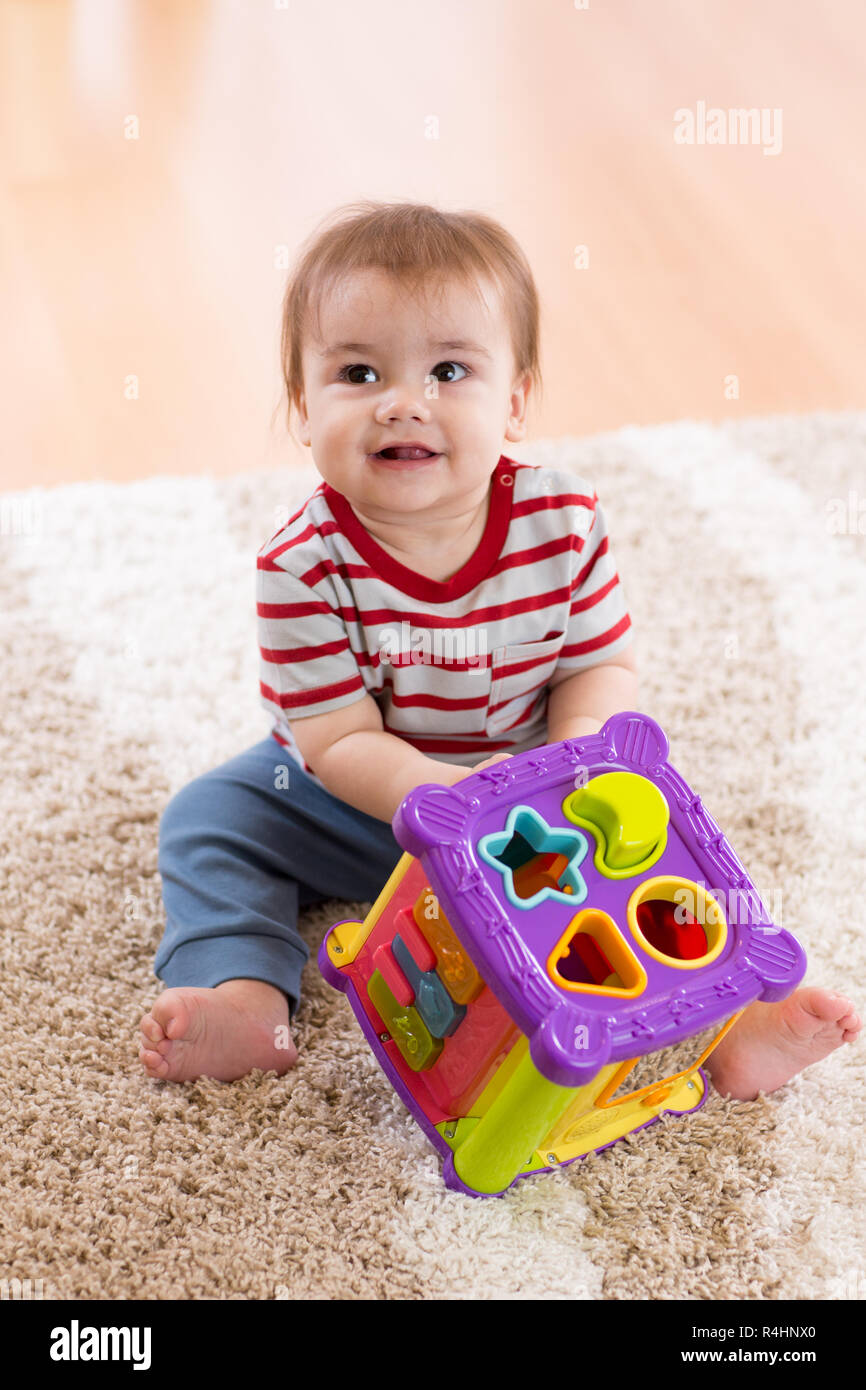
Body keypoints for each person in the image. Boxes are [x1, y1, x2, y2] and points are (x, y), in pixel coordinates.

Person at [140, 201, 860, 1097]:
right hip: (354, 807)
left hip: (535, 802)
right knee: (211, 822)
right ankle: (250, 999)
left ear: (513, 401)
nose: (405, 402)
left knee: (662, 848)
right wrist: (440, 802)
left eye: (448, 370)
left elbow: (597, 666)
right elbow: (334, 740)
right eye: (359, 373)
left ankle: (736, 1024)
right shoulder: (300, 564)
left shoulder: (561, 522)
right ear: (303, 408)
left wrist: (578, 754)